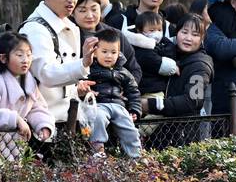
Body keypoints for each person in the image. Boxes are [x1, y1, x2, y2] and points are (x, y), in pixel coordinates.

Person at [20, 0, 97, 122]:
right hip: (40, 121)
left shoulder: (71, 25)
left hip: (67, 117)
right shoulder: (35, 28)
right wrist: (82, 65)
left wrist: (77, 87)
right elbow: (46, 74)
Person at [0, 31, 54, 162]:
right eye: (19, 55)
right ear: (3, 58)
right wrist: (15, 119)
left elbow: (37, 107)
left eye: (29, 54)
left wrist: (43, 125)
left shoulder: (29, 80)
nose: (25, 60)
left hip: (12, 150)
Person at [143, 15, 215, 146]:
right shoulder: (168, 55)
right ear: (177, 33)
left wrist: (150, 105)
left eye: (195, 34)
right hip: (158, 136)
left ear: (202, 39)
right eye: (184, 32)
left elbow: (193, 101)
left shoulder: (200, 66)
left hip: (183, 138)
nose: (188, 38)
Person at [78, 28, 142, 156]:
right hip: (99, 104)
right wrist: (87, 91)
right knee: (98, 118)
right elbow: (82, 83)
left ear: (119, 53)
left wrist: (134, 109)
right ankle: (98, 149)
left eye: (113, 52)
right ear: (95, 52)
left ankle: (136, 155)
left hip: (119, 105)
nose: (109, 56)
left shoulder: (123, 72)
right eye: (104, 51)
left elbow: (133, 91)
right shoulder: (89, 69)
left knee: (129, 126)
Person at [74, 0, 142, 86]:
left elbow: (134, 69)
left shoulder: (115, 34)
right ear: (72, 12)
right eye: (82, 10)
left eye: (94, 9)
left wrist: (126, 90)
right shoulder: (67, 34)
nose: (89, 15)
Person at [133, 10, 178, 96]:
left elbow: (171, 49)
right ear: (139, 31)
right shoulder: (141, 48)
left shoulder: (162, 44)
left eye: (159, 30)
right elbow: (158, 63)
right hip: (149, 90)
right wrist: (173, 67)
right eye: (152, 30)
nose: (156, 33)